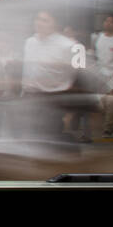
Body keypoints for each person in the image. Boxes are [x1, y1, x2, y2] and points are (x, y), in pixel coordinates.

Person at [21, 10, 77, 138]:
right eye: (38, 19)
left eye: (45, 20)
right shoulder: (29, 42)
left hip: (53, 99)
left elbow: (78, 75)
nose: (39, 23)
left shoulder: (68, 45)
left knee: (49, 138)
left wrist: (70, 112)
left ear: (55, 24)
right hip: (30, 97)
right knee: (30, 137)